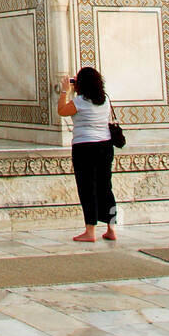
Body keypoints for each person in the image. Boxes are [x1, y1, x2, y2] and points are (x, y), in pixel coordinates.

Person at [58, 65, 118, 243]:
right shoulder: (105, 99)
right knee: (105, 187)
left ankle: (90, 230)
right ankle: (111, 228)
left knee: (87, 187)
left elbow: (61, 110)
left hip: (85, 147)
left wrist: (64, 91)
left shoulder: (80, 102)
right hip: (105, 146)